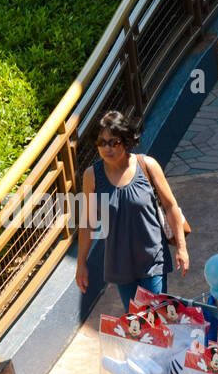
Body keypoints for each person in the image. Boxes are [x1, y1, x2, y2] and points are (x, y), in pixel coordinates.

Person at [75, 110, 191, 311]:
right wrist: (81, 263)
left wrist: (181, 247)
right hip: (120, 264)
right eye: (102, 142)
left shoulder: (147, 165)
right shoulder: (91, 176)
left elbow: (171, 206)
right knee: (136, 323)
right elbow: (88, 223)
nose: (107, 148)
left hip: (152, 258)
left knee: (155, 317)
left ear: (126, 141)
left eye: (114, 142)